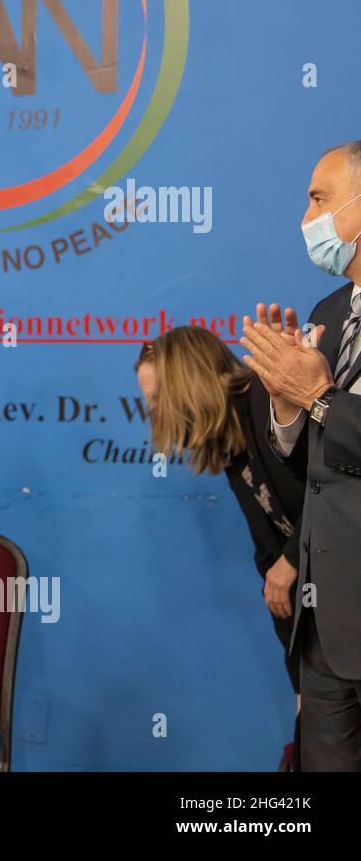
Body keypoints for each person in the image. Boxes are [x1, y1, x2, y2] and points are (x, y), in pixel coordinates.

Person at [242, 141, 361, 771]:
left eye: (319, 198)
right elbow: (308, 466)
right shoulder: (328, 313)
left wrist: (316, 396)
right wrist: (287, 408)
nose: (305, 217)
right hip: (326, 624)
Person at [134, 326, 304, 764]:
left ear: (186, 387)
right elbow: (271, 569)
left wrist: (291, 560)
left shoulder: (269, 402)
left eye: (156, 404)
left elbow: (339, 491)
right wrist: (303, 688)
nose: (154, 419)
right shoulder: (232, 447)